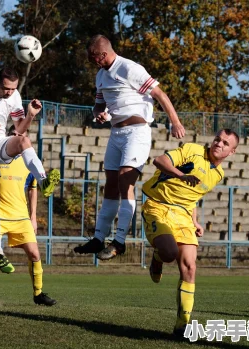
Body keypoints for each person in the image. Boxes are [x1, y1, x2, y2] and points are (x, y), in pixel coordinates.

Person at [74, 34, 186, 260]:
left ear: (103, 54)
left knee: (126, 180)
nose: (91, 61)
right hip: (116, 133)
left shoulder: (129, 68)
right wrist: (100, 114)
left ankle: (120, 241)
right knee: (111, 185)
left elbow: (159, 94)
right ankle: (98, 238)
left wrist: (175, 122)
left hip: (137, 132)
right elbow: (97, 107)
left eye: (93, 57)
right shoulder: (100, 76)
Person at [141, 129, 239, 337]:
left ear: (232, 152)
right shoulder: (192, 150)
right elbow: (159, 161)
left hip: (184, 216)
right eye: (217, 139)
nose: (219, 144)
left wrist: (195, 221)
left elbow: (193, 196)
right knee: (169, 252)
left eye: (225, 143)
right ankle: (158, 257)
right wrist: (182, 175)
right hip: (159, 206)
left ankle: (182, 324)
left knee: (190, 267)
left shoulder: (218, 174)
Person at [0, 67, 60, 273]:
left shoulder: (14, 96)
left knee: (24, 140)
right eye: (6, 88)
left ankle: (43, 181)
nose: (10, 92)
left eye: (13, 88)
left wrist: (31, 115)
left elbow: (18, 129)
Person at [0, 126, 56, 307]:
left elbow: (32, 189)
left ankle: (38, 294)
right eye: (12, 134)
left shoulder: (28, 162)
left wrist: (33, 217)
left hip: (21, 217)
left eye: (19, 135)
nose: (15, 138)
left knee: (35, 254)